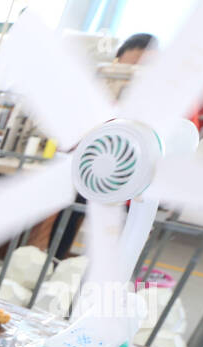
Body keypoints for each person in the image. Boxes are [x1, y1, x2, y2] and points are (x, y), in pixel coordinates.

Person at [52, 32, 158, 259]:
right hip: (93, 172)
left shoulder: (166, 99)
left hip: (136, 184)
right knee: (67, 218)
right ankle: (54, 262)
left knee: (123, 243)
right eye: (126, 69)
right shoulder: (103, 85)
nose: (130, 78)